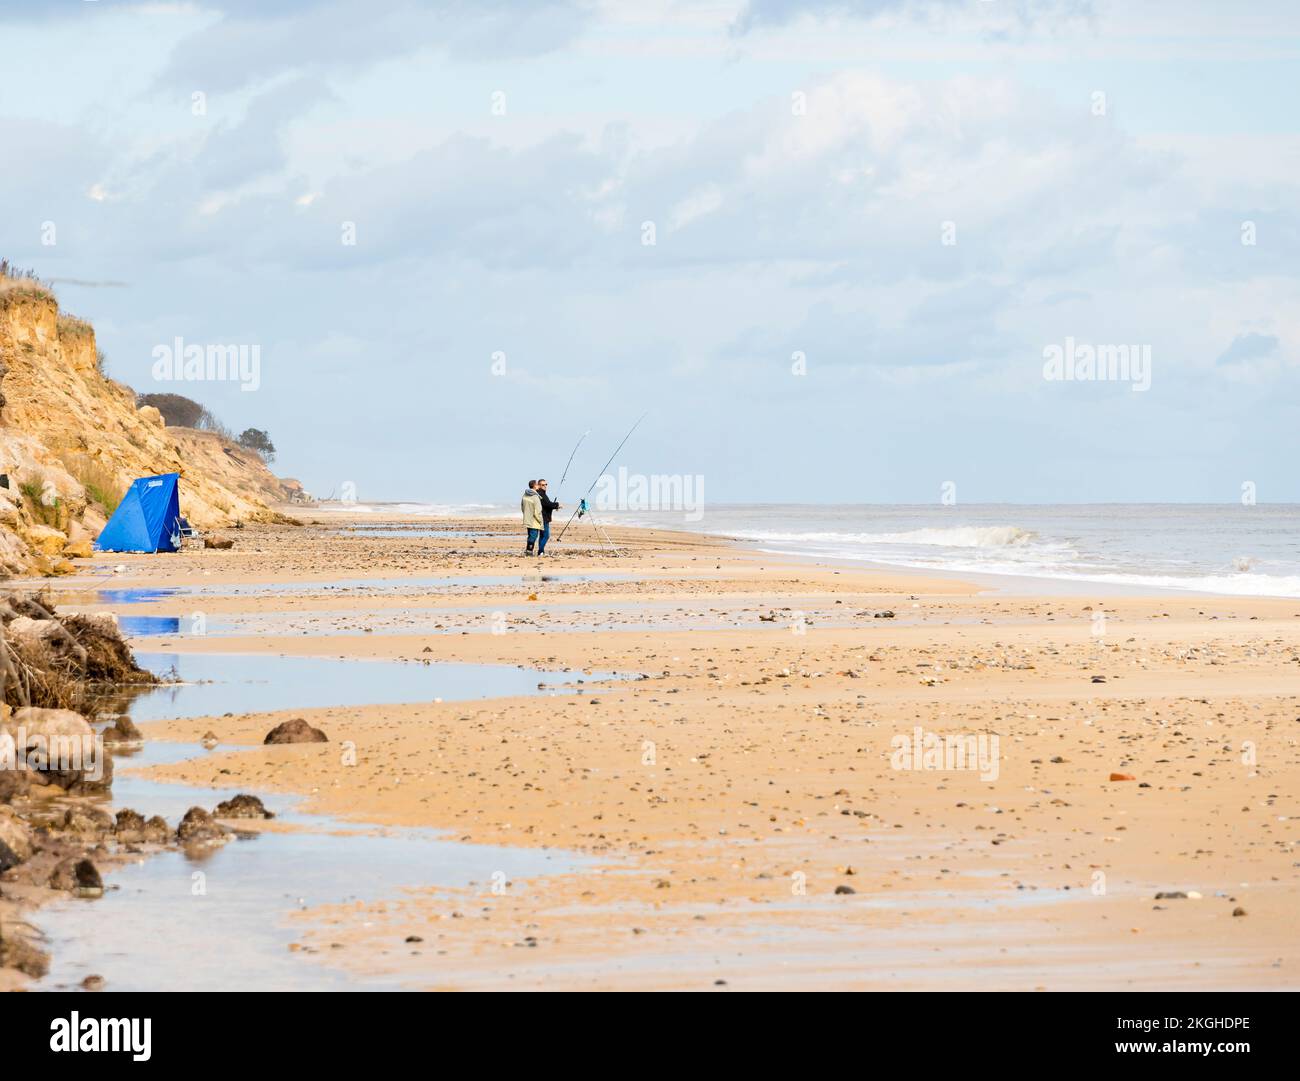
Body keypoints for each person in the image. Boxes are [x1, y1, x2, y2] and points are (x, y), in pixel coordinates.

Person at [535, 478, 560, 556]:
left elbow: (547, 504)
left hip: (541, 517)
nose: (545, 486)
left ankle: (541, 552)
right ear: (539, 486)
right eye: (543, 485)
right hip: (543, 518)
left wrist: (555, 506)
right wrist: (557, 505)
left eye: (546, 484)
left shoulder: (541, 494)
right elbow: (548, 504)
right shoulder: (541, 494)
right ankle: (540, 551)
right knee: (546, 535)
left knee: (542, 535)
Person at [521, 480, 543, 555]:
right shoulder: (535, 496)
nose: (538, 486)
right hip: (534, 520)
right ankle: (529, 551)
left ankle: (528, 551)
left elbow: (522, 507)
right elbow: (538, 511)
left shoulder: (525, 495)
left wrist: (526, 514)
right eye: (537, 484)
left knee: (530, 535)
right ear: (534, 486)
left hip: (527, 519)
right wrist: (540, 520)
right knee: (533, 536)